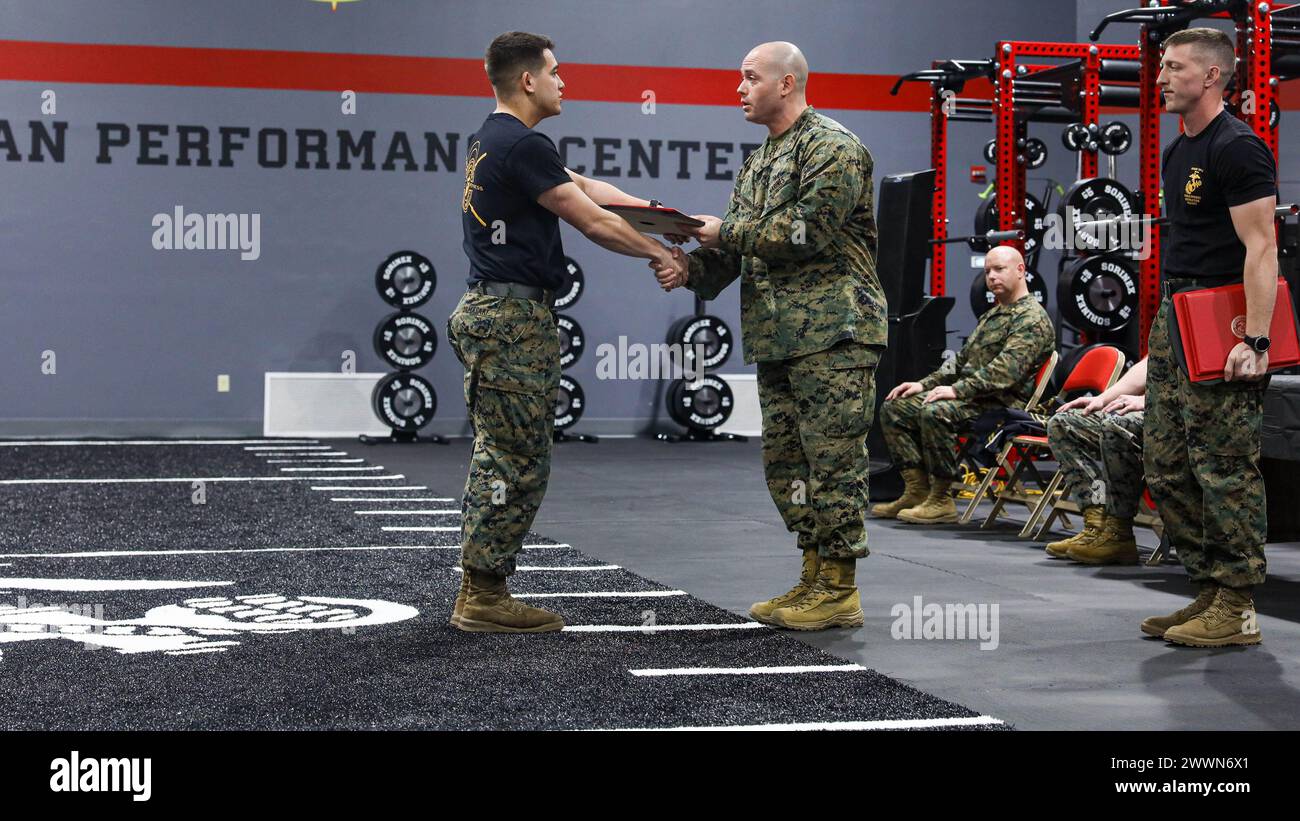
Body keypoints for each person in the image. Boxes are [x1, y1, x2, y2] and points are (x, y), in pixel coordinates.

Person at [449, 31, 686, 633]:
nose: (563, 81)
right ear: (528, 80)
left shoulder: (497, 137)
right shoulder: (522, 143)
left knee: (501, 454)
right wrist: (660, 253)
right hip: (511, 323)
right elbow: (593, 223)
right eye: (555, 71)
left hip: (496, 316)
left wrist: (658, 215)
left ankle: (482, 587)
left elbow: (589, 190)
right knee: (515, 460)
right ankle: (484, 596)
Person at [657, 42, 885, 631]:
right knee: (787, 464)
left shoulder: (833, 147)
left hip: (835, 332)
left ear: (787, 84)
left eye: (749, 78)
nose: (739, 89)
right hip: (778, 338)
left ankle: (840, 587)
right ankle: (812, 576)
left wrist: (724, 230)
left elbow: (802, 232)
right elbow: (739, 249)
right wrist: (686, 268)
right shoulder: (759, 163)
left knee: (833, 462)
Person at [1141, 28, 1278, 648]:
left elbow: (1263, 249)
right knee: (1166, 464)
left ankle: (1238, 602)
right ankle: (1208, 589)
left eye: (1174, 68)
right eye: (1161, 67)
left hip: (1222, 319)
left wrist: (1256, 340)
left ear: (1214, 77)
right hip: (1175, 313)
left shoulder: (1238, 146)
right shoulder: (1178, 150)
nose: (1161, 77)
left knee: (1223, 466)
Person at [871, 245, 1054, 524]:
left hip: (1002, 406)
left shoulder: (1031, 318)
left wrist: (956, 390)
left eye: (999, 269)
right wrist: (923, 385)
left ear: (1020, 271)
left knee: (937, 410)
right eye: (988, 271)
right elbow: (958, 365)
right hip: (973, 399)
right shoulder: (993, 315)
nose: (991, 277)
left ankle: (942, 499)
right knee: (895, 407)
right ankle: (917, 491)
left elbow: (1004, 373)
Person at [1042, 357, 1147, 565]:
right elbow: (1150, 364)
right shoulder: (1171, 323)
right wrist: (1103, 399)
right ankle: (1097, 526)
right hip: (1152, 407)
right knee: (1063, 424)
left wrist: (1148, 401)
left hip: (1183, 413)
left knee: (1116, 426)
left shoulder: (1212, 325)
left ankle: (1119, 533)